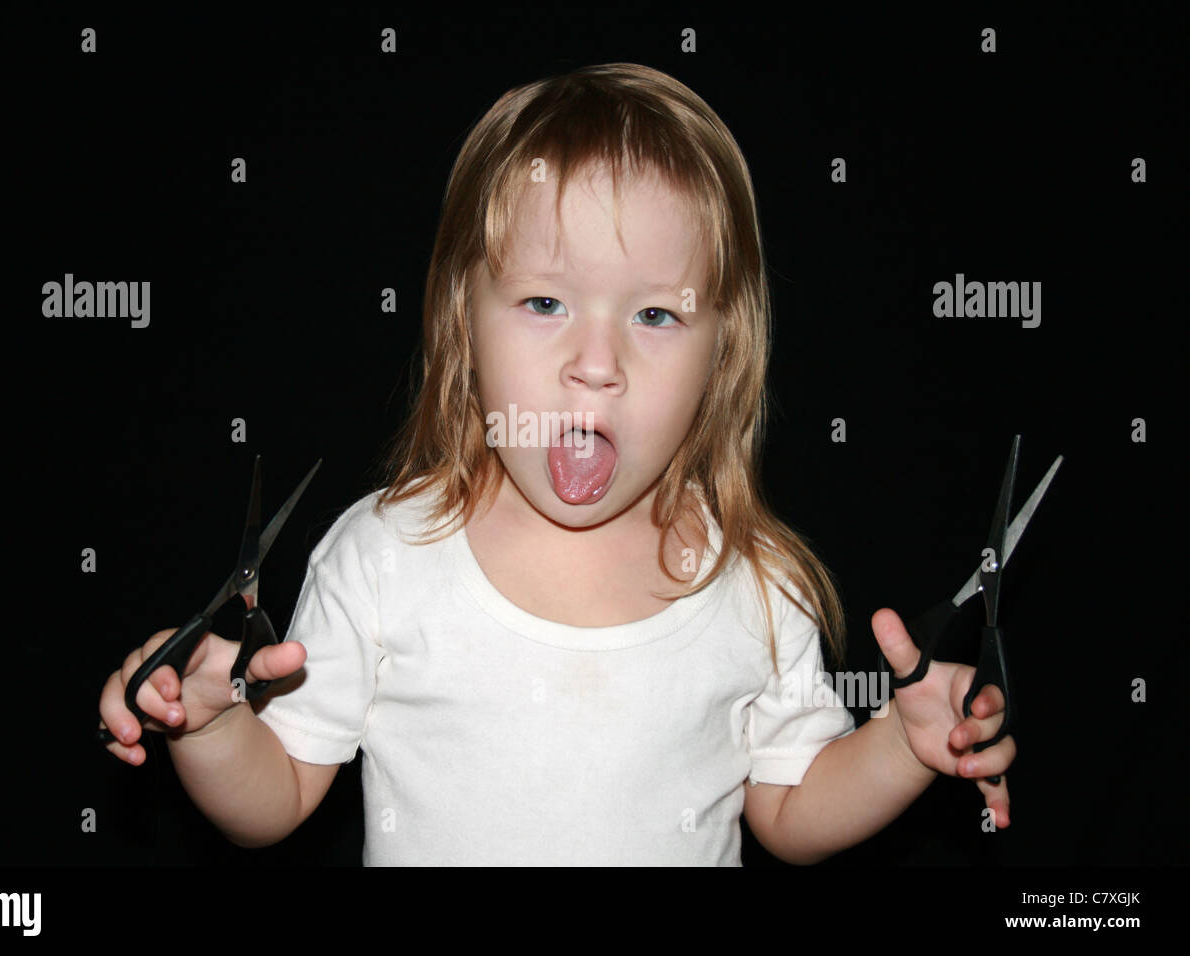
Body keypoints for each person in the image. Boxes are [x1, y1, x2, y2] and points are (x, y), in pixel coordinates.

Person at [97, 63, 1014, 865]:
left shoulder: (756, 583)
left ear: (723, 356)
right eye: (544, 301)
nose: (597, 363)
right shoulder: (386, 555)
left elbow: (791, 809)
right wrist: (210, 727)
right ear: (464, 323)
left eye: (656, 315)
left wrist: (902, 745)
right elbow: (277, 800)